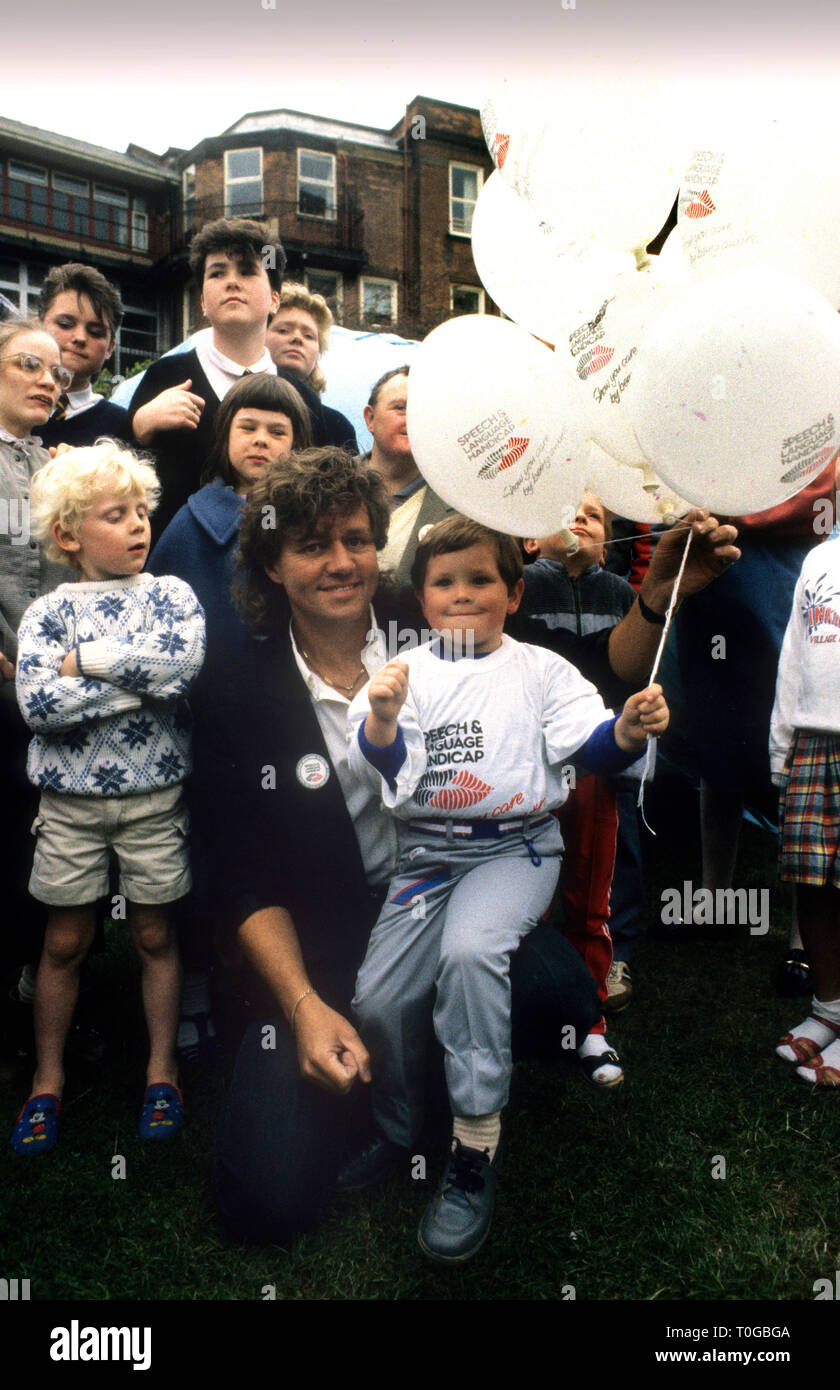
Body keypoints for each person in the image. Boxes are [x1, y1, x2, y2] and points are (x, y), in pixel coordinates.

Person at [194, 447, 738, 1243]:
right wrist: (305, 1008)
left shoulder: (440, 620)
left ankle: (467, 1123)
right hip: (326, 943)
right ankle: (400, 1102)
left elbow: (583, 673)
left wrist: (656, 603)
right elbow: (239, 877)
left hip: (480, 879)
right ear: (273, 565)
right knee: (263, 1201)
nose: (341, 562)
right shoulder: (237, 689)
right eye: (312, 545)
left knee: (542, 986)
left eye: (355, 539)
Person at [346, 515, 668, 1262]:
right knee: (379, 999)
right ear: (422, 599)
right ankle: (397, 1128)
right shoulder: (404, 673)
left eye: (480, 580)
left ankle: (474, 1146)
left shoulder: (542, 671)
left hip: (514, 849)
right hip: (428, 855)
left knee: (470, 954)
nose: (462, 595)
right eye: (444, 582)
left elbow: (588, 745)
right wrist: (386, 721)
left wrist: (626, 729)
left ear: (514, 592)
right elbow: (382, 757)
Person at [10, 442, 205, 1154]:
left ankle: (161, 1067)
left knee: (155, 932)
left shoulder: (170, 596)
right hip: (69, 807)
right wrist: (139, 684)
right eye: (114, 515)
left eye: (141, 512)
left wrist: (88, 665)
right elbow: (39, 703)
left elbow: (181, 667)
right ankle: (47, 1077)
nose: (137, 526)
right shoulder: (45, 614)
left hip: (155, 800)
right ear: (68, 536)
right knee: (64, 940)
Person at [148, 371, 311, 1064]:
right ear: (225, 437)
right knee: (204, 855)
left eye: (279, 430)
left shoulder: (307, 518)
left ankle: (267, 986)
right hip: (207, 721)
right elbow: (155, 605)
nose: (263, 440)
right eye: (249, 426)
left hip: (287, 722)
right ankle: (193, 992)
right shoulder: (193, 520)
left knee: (274, 851)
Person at [523, 492, 643, 1076]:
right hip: (531, 764)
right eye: (563, 509)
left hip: (594, 762)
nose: (578, 519)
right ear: (527, 537)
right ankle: (538, 1015)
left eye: (594, 516)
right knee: (531, 896)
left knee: (590, 892)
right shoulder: (520, 587)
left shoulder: (622, 596)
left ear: (609, 539)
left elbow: (629, 667)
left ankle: (590, 1020)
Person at [126, 218, 327, 537]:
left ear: (275, 299)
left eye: (247, 270)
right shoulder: (165, 377)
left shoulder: (304, 402)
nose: (232, 282)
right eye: (217, 272)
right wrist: (139, 428)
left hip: (272, 573)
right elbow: (121, 484)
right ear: (203, 302)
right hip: (178, 567)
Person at [0, 318, 68, 980]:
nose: (47, 381)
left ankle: (30, 990)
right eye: (29, 365)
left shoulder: (51, 463)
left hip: (40, 692)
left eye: (58, 374)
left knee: (31, 838)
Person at [771, 529, 840, 1086]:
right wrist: (782, 749)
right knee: (812, 883)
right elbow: (793, 656)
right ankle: (830, 1006)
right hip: (814, 740)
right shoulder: (819, 558)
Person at [362, 366, 452, 586]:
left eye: (425, 411)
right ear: (370, 418)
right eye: (401, 408)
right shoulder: (322, 488)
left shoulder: (461, 507)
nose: (413, 419)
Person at [36, 264, 129, 448]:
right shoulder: (9, 407)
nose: (79, 338)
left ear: (110, 347)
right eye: (65, 324)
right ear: (37, 326)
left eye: (95, 332)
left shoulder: (122, 426)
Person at [266, 283, 357, 451]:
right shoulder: (231, 404)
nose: (297, 338)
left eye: (308, 335)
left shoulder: (337, 427)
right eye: (284, 330)